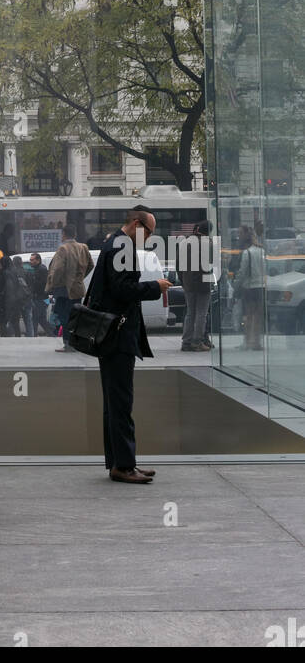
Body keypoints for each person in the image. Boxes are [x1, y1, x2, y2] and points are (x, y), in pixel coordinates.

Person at [88, 205, 171, 484]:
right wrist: (154, 287)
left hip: (110, 336)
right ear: (137, 224)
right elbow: (123, 290)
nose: (149, 238)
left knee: (114, 403)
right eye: (149, 232)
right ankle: (124, 466)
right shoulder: (122, 246)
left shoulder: (113, 242)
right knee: (121, 403)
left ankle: (119, 462)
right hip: (118, 337)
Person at [46, 225, 94, 352]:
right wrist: (79, 278)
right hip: (77, 289)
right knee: (76, 316)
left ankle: (68, 344)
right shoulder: (83, 247)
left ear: (64, 234)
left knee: (64, 317)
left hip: (63, 290)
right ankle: (76, 342)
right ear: (75, 234)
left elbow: (58, 269)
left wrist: (53, 284)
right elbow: (91, 265)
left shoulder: (63, 249)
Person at [179, 220, 214, 352]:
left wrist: (183, 280)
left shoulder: (184, 242)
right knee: (201, 314)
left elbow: (178, 264)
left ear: (198, 228)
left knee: (190, 313)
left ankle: (186, 342)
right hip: (204, 283)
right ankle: (197, 342)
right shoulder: (209, 244)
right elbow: (213, 265)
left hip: (188, 283)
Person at [234, 225, 266, 352]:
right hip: (260, 287)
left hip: (249, 287)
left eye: (240, 233)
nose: (238, 236)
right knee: (257, 316)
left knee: (248, 315)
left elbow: (242, 272)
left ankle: (247, 341)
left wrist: (237, 286)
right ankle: (256, 342)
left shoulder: (247, 253)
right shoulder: (261, 251)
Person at [28, 252, 52, 335]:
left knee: (35, 318)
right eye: (30, 260)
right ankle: (52, 334)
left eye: (32, 260)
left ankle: (33, 335)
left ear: (38, 260)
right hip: (43, 298)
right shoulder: (40, 269)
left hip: (40, 298)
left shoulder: (41, 269)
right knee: (41, 319)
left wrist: (32, 290)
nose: (30, 261)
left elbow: (39, 285)